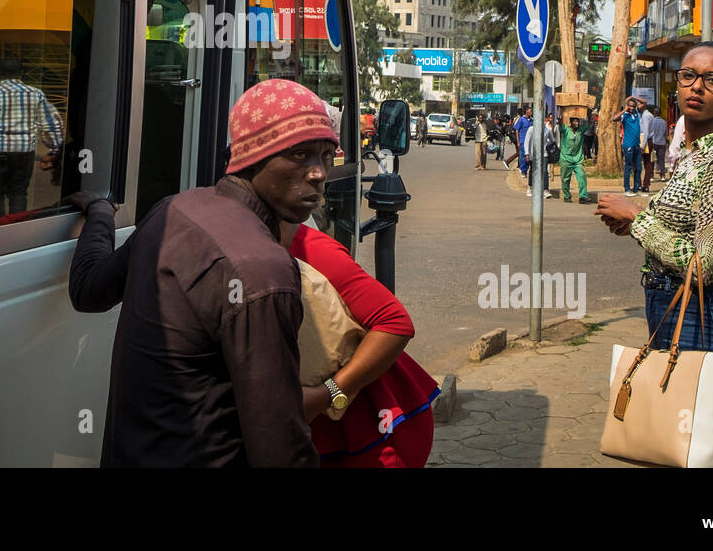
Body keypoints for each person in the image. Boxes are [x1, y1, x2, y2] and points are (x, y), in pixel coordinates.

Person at [68, 78, 330, 466]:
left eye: (327, 155)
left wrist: (100, 213)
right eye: (300, 155)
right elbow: (279, 445)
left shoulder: (172, 210)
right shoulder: (263, 272)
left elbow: (88, 289)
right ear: (253, 156)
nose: (319, 173)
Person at [595, 41, 713, 468]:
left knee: (701, 456)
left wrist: (638, 219)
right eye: (688, 75)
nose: (697, 87)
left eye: (712, 79)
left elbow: (702, 266)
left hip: (711, 321)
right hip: (673, 309)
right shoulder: (690, 155)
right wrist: (636, 222)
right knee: (670, 449)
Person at [282, 220, 440, 467]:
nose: (317, 178)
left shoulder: (309, 248)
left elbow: (394, 324)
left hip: (374, 434)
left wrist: (328, 394)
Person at [0, 60, 63, 219]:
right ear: (21, 74)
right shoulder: (36, 94)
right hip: (24, 152)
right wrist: (55, 150)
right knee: (19, 194)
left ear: (0, 74)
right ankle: (16, 230)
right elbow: (49, 124)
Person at [613, 96, 643, 197]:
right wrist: (624, 110)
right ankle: (627, 189)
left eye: (634, 106)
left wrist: (634, 97)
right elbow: (614, 118)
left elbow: (645, 102)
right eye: (630, 106)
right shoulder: (624, 115)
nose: (632, 108)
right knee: (628, 167)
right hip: (628, 146)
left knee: (638, 168)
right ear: (627, 106)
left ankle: (637, 188)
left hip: (636, 145)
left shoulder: (636, 113)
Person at [560, 115, 593, 204]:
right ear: (570, 123)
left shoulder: (581, 130)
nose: (577, 123)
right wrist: (561, 113)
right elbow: (560, 123)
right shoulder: (566, 129)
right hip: (566, 159)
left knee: (582, 176)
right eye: (574, 122)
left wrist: (586, 112)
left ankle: (583, 196)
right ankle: (567, 196)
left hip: (578, 159)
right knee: (565, 179)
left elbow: (588, 122)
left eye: (577, 121)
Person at [524, 111, 554, 199]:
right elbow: (526, 142)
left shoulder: (547, 130)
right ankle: (530, 188)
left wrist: (551, 148)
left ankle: (545, 190)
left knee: (544, 171)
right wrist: (527, 153)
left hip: (544, 154)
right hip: (533, 154)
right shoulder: (531, 129)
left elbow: (552, 140)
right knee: (533, 170)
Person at [642, 104, 669, 189]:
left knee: (652, 160)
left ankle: (652, 176)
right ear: (660, 113)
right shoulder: (664, 122)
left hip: (653, 143)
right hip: (662, 143)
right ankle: (663, 176)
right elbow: (666, 133)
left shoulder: (652, 121)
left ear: (654, 113)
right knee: (661, 160)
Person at [511, 107, 533, 177]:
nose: (531, 113)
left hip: (530, 141)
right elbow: (517, 130)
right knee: (524, 155)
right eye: (530, 111)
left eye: (531, 112)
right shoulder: (521, 120)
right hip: (522, 140)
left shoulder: (532, 120)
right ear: (526, 111)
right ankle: (523, 170)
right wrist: (518, 141)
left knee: (528, 155)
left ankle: (524, 169)